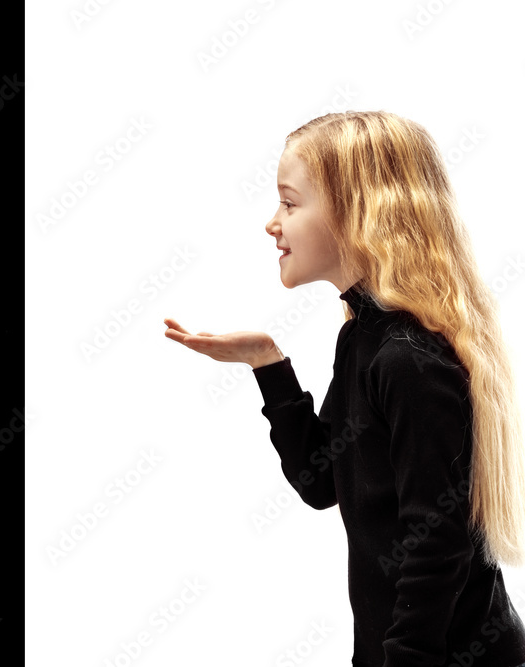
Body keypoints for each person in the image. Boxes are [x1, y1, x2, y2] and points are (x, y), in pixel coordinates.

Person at [164, 111, 525, 666]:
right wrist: (268, 363)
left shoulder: (409, 359)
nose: (272, 223)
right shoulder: (363, 340)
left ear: (358, 213)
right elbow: (320, 479)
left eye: (289, 202)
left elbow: (437, 540)